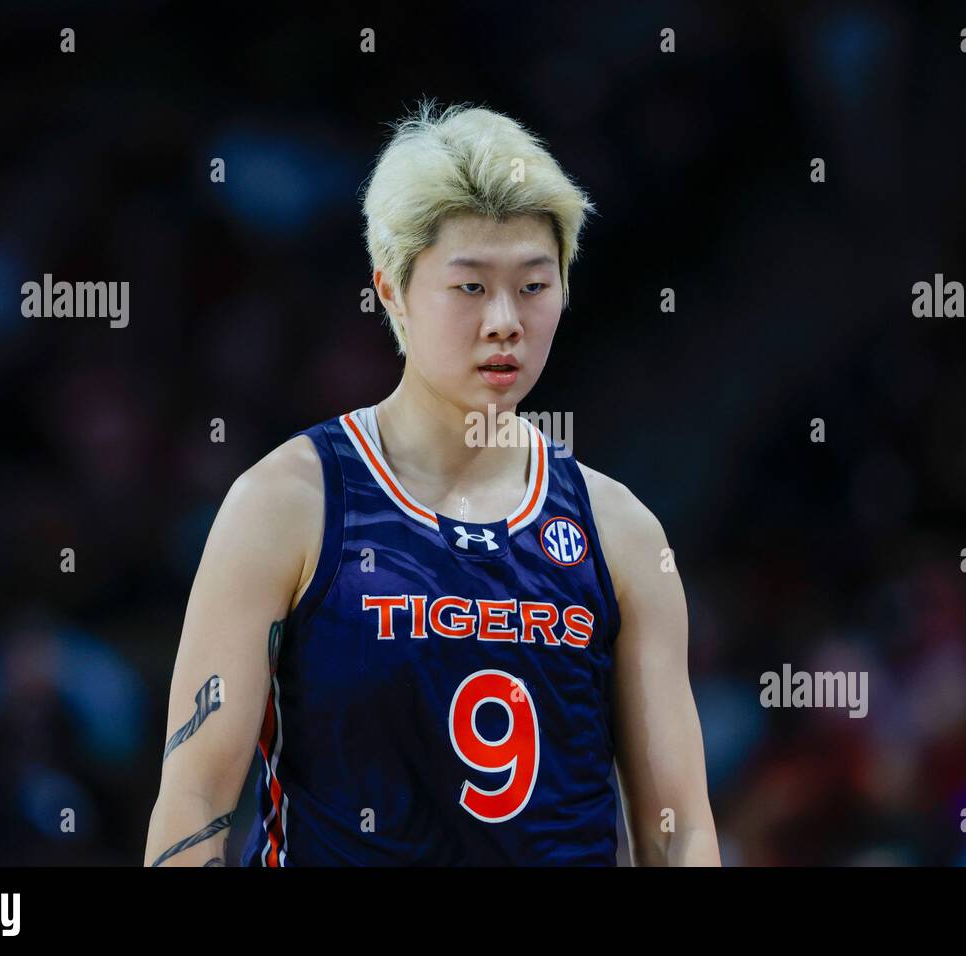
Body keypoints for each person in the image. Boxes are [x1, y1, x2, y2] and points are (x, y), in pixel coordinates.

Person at [144, 100, 719, 866]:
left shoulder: (621, 531)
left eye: (534, 285)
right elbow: (193, 807)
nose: (506, 320)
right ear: (391, 291)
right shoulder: (286, 506)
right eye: (471, 287)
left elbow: (676, 833)